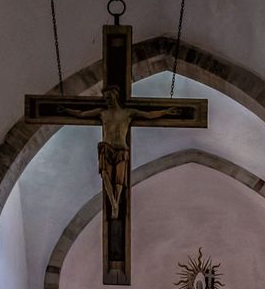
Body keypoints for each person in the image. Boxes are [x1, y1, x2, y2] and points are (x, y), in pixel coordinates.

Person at [60, 86, 180, 218]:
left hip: (121, 149)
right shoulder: (102, 113)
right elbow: (81, 114)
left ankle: (116, 202)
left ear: (115, 95)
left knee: (119, 179)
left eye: (109, 97)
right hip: (106, 147)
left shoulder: (128, 113)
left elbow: (149, 115)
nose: (107, 100)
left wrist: (166, 112)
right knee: (105, 175)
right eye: (105, 98)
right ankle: (113, 204)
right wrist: (66, 110)